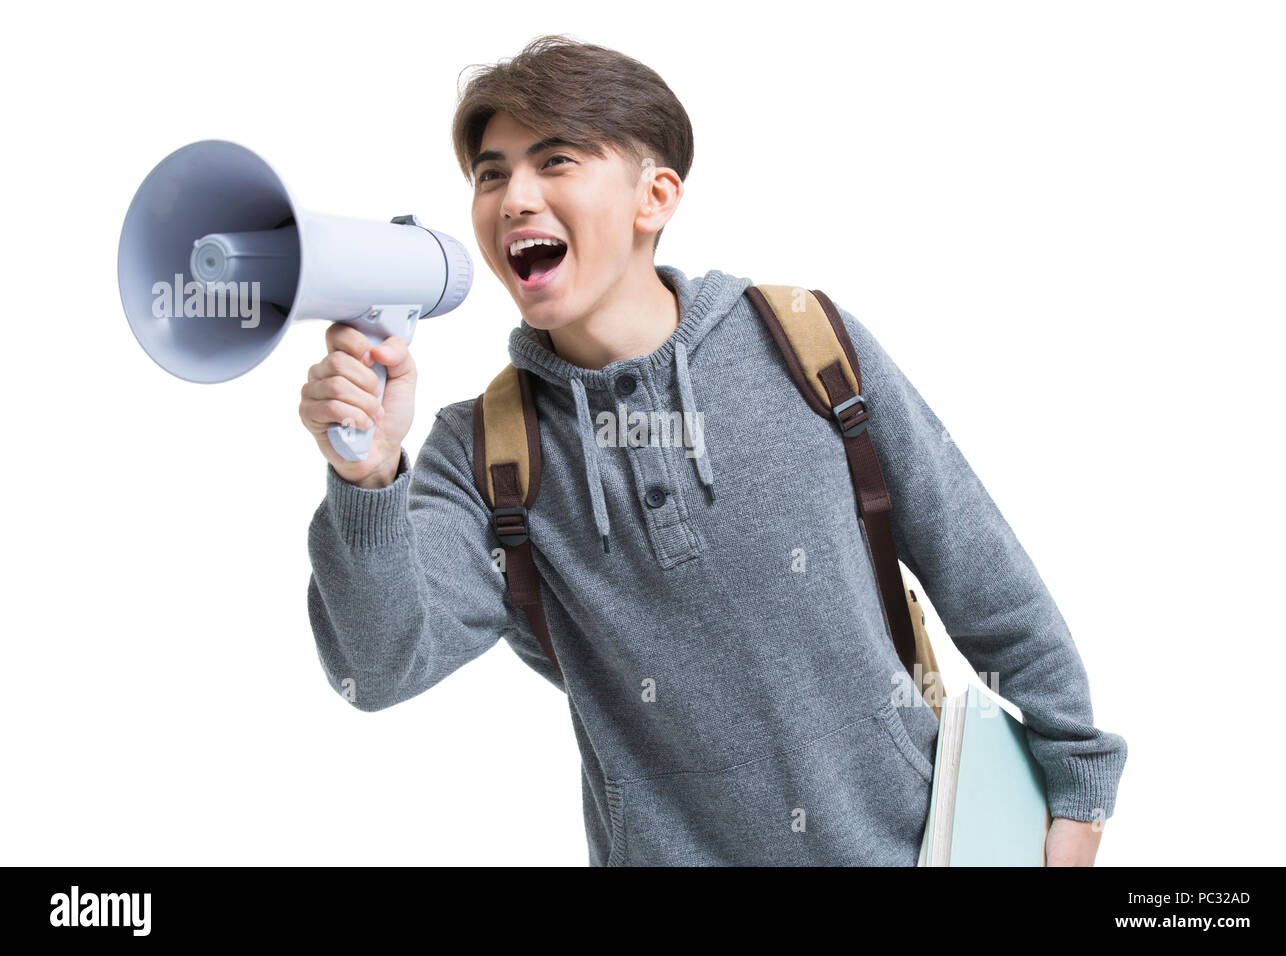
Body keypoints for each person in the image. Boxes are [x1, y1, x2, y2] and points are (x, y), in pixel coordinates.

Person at [299, 34, 1127, 866]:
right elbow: (378, 667)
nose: (514, 198)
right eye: (490, 174)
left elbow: (980, 570)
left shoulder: (806, 344)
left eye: (555, 162)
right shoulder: (483, 451)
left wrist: (1080, 784)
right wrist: (366, 478)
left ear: (654, 196)